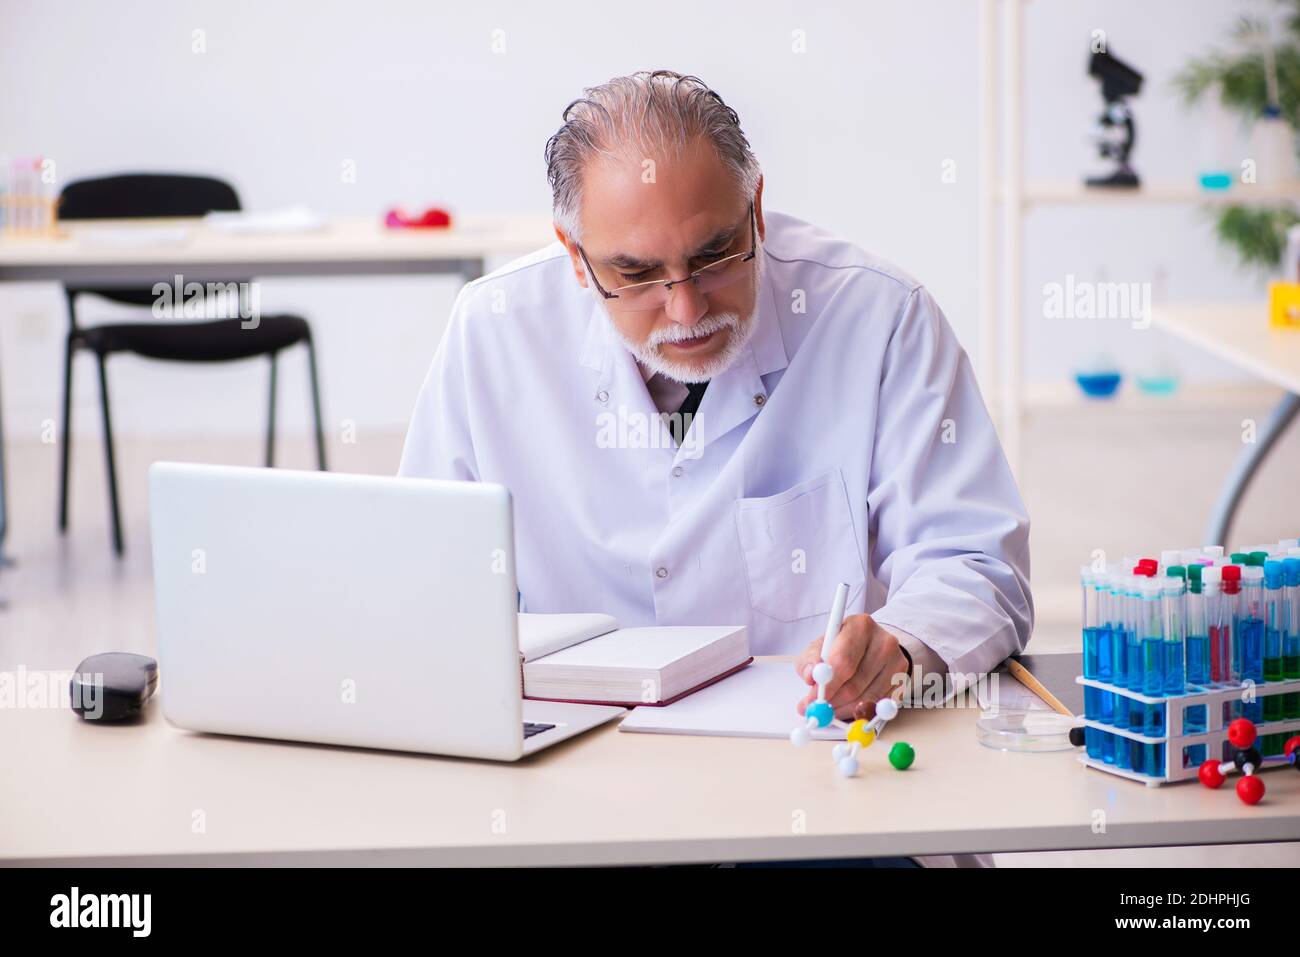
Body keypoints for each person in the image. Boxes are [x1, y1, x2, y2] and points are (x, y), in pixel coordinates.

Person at [399, 70, 1032, 868]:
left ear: (757, 208)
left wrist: (900, 647)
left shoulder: (878, 316)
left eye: (715, 255)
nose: (688, 309)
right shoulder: (493, 337)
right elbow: (424, 592)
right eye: (635, 274)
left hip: (816, 785)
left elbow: (977, 564)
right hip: (575, 797)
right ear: (574, 255)